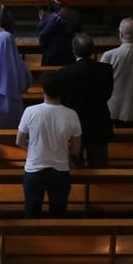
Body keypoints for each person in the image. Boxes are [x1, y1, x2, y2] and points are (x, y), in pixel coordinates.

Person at [15, 72, 81, 217]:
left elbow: (19, 141)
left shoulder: (30, 111)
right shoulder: (71, 114)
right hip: (60, 171)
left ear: (43, 90)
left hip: (34, 169)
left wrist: (33, 148)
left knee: (31, 215)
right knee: (58, 217)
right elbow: (76, 150)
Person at [57, 33, 115, 166]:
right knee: (99, 166)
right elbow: (108, 94)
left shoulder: (64, 73)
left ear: (73, 51)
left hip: (73, 125)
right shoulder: (106, 70)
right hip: (98, 123)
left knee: (75, 167)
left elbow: (63, 99)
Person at [100, 17, 133, 126]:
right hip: (130, 106)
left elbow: (101, 81)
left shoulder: (109, 55)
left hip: (110, 106)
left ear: (120, 34)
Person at [37, 0, 81, 66]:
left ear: (55, 2)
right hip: (70, 54)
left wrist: (42, 21)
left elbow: (42, 37)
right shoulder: (77, 16)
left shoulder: (51, 18)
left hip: (52, 55)